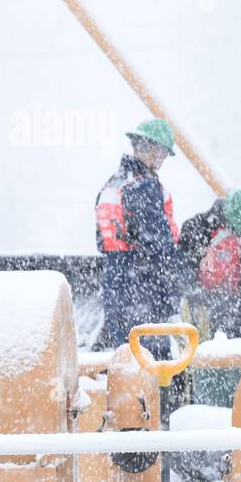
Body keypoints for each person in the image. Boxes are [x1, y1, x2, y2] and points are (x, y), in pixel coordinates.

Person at [95, 119, 186, 351]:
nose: (163, 160)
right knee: (153, 363)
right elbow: (158, 247)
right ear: (153, 149)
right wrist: (172, 296)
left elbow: (103, 240)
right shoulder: (143, 187)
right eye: (163, 153)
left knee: (125, 357)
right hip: (143, 285)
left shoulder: (113, 183)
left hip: (115, 280)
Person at [178, 187, 241, 339]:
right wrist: (196, 296)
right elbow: (184, 267)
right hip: (207, 309)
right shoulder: (201, 230)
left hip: (237, 310)